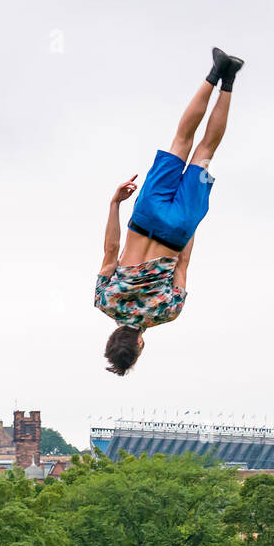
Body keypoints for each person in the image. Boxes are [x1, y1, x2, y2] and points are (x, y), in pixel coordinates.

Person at [96, 46, 244, 375]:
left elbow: (184, 262)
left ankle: (229, 79)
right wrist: (114, 204)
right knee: (181, 140)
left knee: (206, 151)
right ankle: (213, 73)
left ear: (138, 346)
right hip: (144, 218)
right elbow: (110, 250)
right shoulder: (104, 301)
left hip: (177, 230)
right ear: (111, 337)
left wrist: (191, 223)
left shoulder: (166, 312)